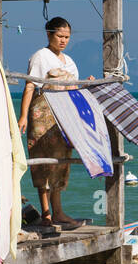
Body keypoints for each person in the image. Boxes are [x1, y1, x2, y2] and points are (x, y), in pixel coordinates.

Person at [18, 17, 94, 229]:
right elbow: (30, 86)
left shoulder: (69, 61)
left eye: (67, 37)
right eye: (59, 36)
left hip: (64, 114)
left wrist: (85, 84)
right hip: (42, 112)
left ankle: (59, 212)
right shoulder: (40, 57)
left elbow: (75, 89)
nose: (63, 41)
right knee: (42, 160)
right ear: (49, 34)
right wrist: (23, 116)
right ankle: (46, 213)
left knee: (61, 161)